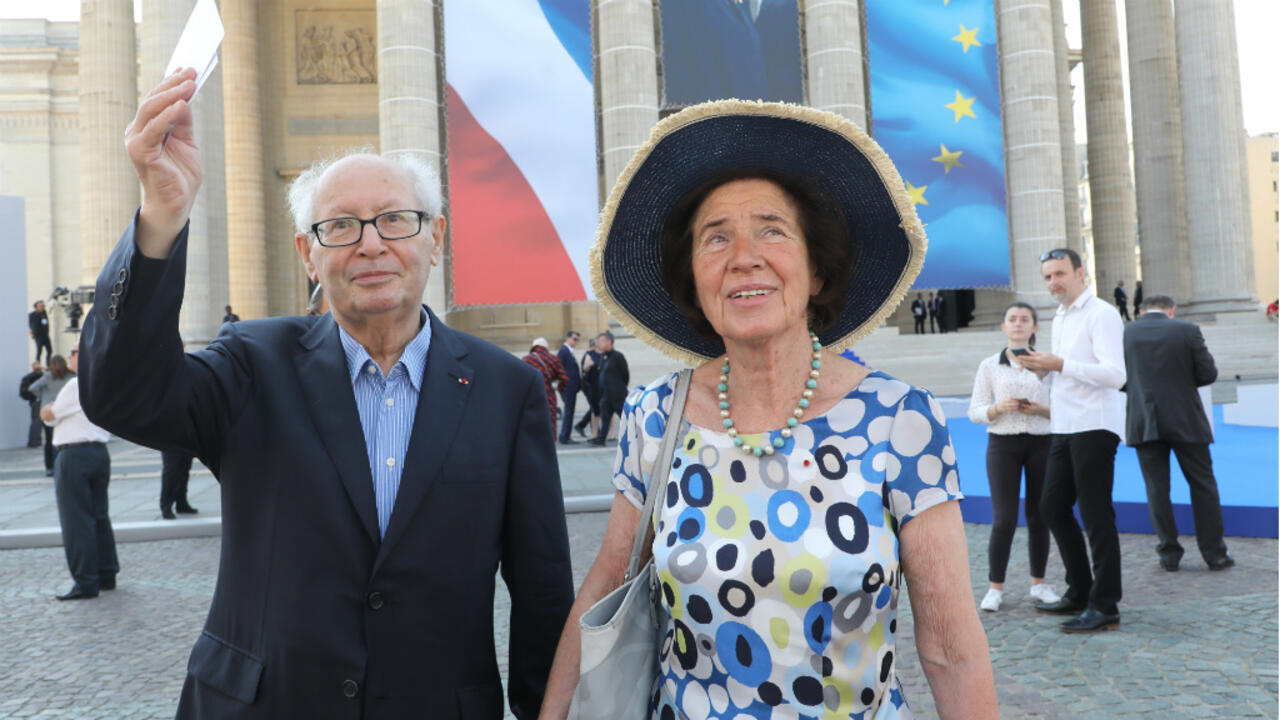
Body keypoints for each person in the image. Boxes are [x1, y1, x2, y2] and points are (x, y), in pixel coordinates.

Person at [78, 68, 573, 717]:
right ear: (308, 256)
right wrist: (161, 218)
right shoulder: (253, 363)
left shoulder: (505, 389)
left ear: (436, 238)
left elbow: (542, 594)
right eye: (340, 227)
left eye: (396, 220)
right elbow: (121, 397)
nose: (371, 244)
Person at [541, 101, 997, 719]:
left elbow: (949, 647)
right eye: (716, 237)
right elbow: (603, 590)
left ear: (816, 271)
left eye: (772, 229)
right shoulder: (656, 417)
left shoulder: (899, 419)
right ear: (696, 282)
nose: (744, 256)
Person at [1019, 248, 1127, 633]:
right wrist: (1040, 370)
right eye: (1048, 276)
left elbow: (1115, 374)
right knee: (1052, 506)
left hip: (1095, 424)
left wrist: (1059, 364)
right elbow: (1063, 373)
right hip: (1063, 425)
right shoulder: (1060, 317)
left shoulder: (1102, 313)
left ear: (1081, 272)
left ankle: (1105, 604)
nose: (1054, 282)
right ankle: (1080, 589)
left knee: (1097, 514)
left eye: (1060, 274)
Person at [1122, 294, 1233, 571]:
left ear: (1141, 310)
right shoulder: (1187, 330)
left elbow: (1117, 376)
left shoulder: (1126, 333)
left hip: (1144, 419)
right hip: (1185, 417)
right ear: (1172, 310)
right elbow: (1208, 374)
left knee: (1156, 489)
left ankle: (1169, 554)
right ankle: (1215, 554)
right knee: (1203, 485)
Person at [967, 303, 1059, 612]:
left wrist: (1041, 410)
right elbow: (976, 411)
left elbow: (1066, 408)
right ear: (1003, 327)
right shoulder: (989, 366)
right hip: (1002, 444)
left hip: (1041, 443)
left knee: (1039, 515)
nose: (1018, 324)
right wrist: (997, 409)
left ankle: (1039, 583)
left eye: (1025, 320)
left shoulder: (1048, 365)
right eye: (1012, 319)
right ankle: (995, 587)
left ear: (1035, 327)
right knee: (1004, 518)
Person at [40, 345, 118, 600]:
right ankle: (107, 574)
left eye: (74, 351)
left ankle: (85, 581)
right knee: (99, 516)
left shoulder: (75, 385)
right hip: (98, 454)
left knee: (77, 521)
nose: (71, 354)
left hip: (74, 455)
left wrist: (49, 409)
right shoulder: (104, 384)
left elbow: (50, 416)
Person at [29, 355, 74, 477]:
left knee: (49, 441)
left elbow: (32, 387)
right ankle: (63, 465)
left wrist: (42, 397)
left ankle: (50, 467)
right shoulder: (70, 376)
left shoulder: (48, 376)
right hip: (64, 410)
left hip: (49, 411)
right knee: (65, 440)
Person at [587, 331, 628, 446]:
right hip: (606, 395)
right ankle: (601, 440)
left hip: (617, 394)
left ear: (609, 342)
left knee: (624, 417)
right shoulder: (603, 357)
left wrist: (619, 388)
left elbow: (625, 375)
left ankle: (634, 436)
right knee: (605, 418)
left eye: (601, 340)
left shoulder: (618, 356)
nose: (598, 343)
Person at [523, 337, 568, 430]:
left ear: (533, 346)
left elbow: (519, 380)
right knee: (549, 422)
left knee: (533, 424)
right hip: (549, 396)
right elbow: (564, 379)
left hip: (531, 397)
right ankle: (549, 442)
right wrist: (558, 386)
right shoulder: (554, 359)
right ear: (546, 347)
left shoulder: (526, 360)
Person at [556, 331, 581, 444]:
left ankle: (566, 436)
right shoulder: (564, 351)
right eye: (574, 339)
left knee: (569, 412)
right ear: (567, 338)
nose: (576, 342)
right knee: (568, 412)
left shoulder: (569, 351)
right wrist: (563, 383)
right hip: (567, 387)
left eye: (577, 340)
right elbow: (558, 367)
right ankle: (564, 437)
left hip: (571, 387)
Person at [574, 337, 601, 439]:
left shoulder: (590, 354)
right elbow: (586, 370)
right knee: (596, 407)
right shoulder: (590, 355)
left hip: (589, 385)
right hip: (589, 385)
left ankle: (590, 428)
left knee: (595, 407)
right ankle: (583, 425)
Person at [159, 449, 199, 520]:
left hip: (185, 440)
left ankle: (181, 503)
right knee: (171, 470)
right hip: (169, 441)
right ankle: (166, 506)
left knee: (184, 468)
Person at [20, 362, 44, 448]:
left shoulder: (28, 377)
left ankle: (34, 441)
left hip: (34, 402)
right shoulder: (42, 377)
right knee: (37, 422)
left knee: (35, 421)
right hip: (39, 401)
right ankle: (35, 442)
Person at [29, 300, 52, 366]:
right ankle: (37, 365)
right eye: (40, 306)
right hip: (38, 336)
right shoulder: (32, 315)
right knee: (39, 351)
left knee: (49, 350)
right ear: (36, 307)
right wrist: (30, 332)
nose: (42, 308)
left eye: (43, 306)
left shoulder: (44, 313)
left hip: (45, 335)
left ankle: (48, 365)